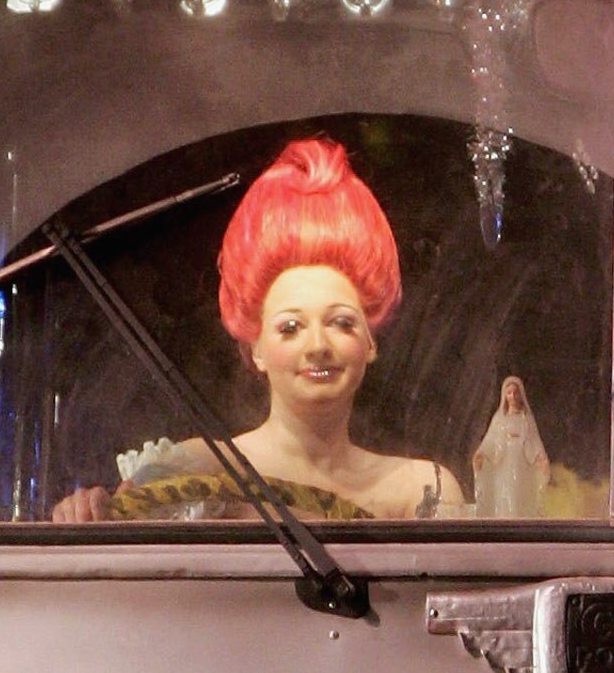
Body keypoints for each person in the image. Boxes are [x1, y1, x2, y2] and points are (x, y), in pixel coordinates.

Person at [52, 137, 462, 523]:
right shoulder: (193, 475)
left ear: (370, 340)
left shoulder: (423, 491)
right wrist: (90, 516)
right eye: (290, 328)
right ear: (257, 347)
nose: (317, 346)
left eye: (340, 322)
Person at [472, 375, 549, 518]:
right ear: (505, 396)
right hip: (504, 463)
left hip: (521, 462)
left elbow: (534, 441)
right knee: (505, 494)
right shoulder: (499, 420)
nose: (512, 396)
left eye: (515, 392)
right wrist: (481, 454)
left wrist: (540, 458)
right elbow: (490, 441)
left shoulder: (526, 419)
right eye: (509, 393)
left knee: (520, 492)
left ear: (521, 395)